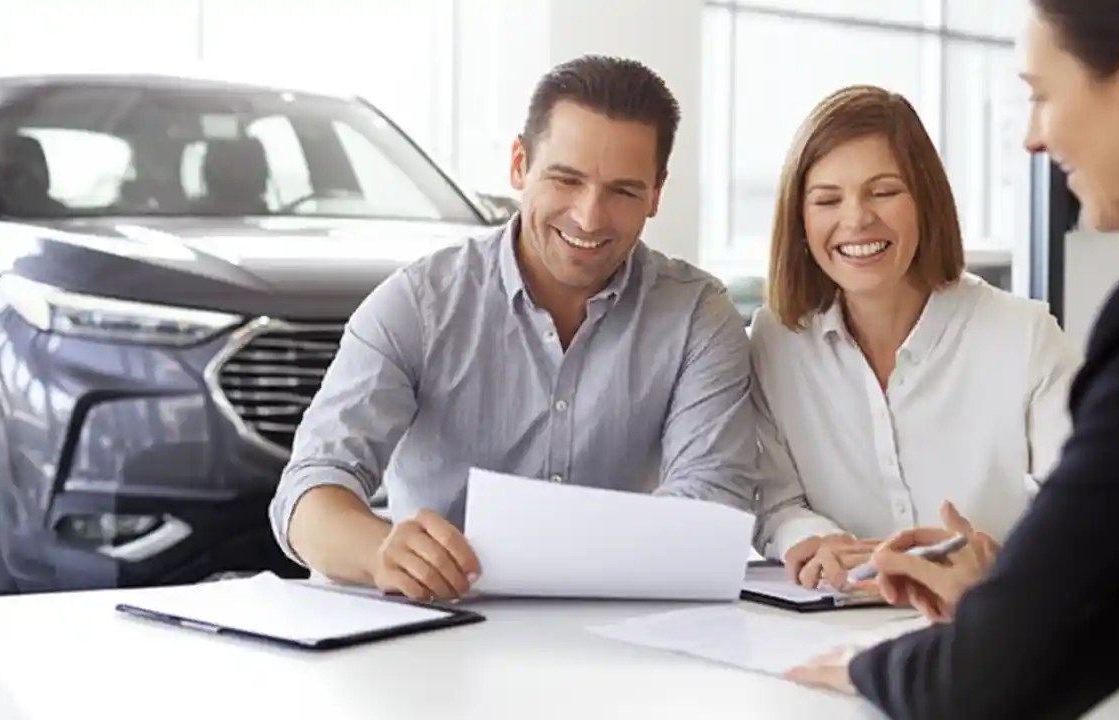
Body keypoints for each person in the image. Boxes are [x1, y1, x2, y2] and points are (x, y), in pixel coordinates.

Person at [268, 55, 760, 602]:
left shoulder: (698, 316)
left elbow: (712, 503)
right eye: (566, 179)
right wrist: (379, 551)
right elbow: (309, 492)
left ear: (656, 193)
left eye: (623, 191)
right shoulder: (418, 304)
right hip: (438, 628)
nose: (589, 217)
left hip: (616, 630)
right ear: (520, 164)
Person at [787, 0, 1119, 716]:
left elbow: (979, 682)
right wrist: (1003, 601)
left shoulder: (1109, 329)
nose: (1033, 137)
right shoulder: (780, 340)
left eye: (1041, 95)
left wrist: (872, 665)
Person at [750, 84, 1082, 589]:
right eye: (827, 199)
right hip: (831, 626)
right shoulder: (777, 338)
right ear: (800, 219)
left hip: (991, 625)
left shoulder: (1024, 335)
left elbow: (1086, 512)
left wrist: (997, 561)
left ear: (925, 201)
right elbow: (774, 499)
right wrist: (811, 538)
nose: (857, 218)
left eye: (884, 192)